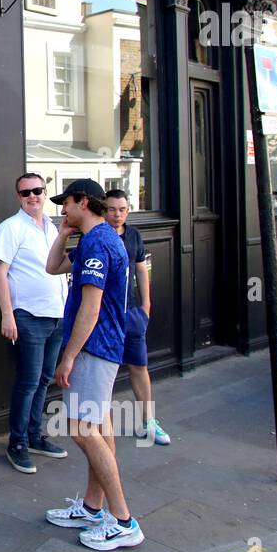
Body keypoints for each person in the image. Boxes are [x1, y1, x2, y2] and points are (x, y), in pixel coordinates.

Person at [44, 179, 144, 551]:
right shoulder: (96, 240)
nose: (62, 209)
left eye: (66, 204)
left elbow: (91, 306)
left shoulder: (99, 244)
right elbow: (53, 266)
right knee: (98, 428)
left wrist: (68, 356)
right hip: (103, 347)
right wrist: (63, 233)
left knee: (83, 430)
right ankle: (92, 507)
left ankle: (123, 520)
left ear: (83, 201)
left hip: (94, 348)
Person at [0, 172, 69, 475]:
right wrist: (7, 314)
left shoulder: (53, 227)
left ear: (45, 191)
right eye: (25, 193)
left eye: (37, 190)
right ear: (18, 197)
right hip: (28, 317)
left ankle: (35, 435)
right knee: (28, 381)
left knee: (44, 379)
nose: (32, 196)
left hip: (56, 314)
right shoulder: (10, 228)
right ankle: (18, 443)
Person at [104, 189, 169, 446]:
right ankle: (103, 425)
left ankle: (148, 421)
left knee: (139, 366)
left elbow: (142, 269)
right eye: (111, 209)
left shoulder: (134, 236)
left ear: (128, 210)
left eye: (122, 209)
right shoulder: (97, 236)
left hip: (132, 313)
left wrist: (146, 305)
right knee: (106, 370)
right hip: (106, 316)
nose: (117, 214)